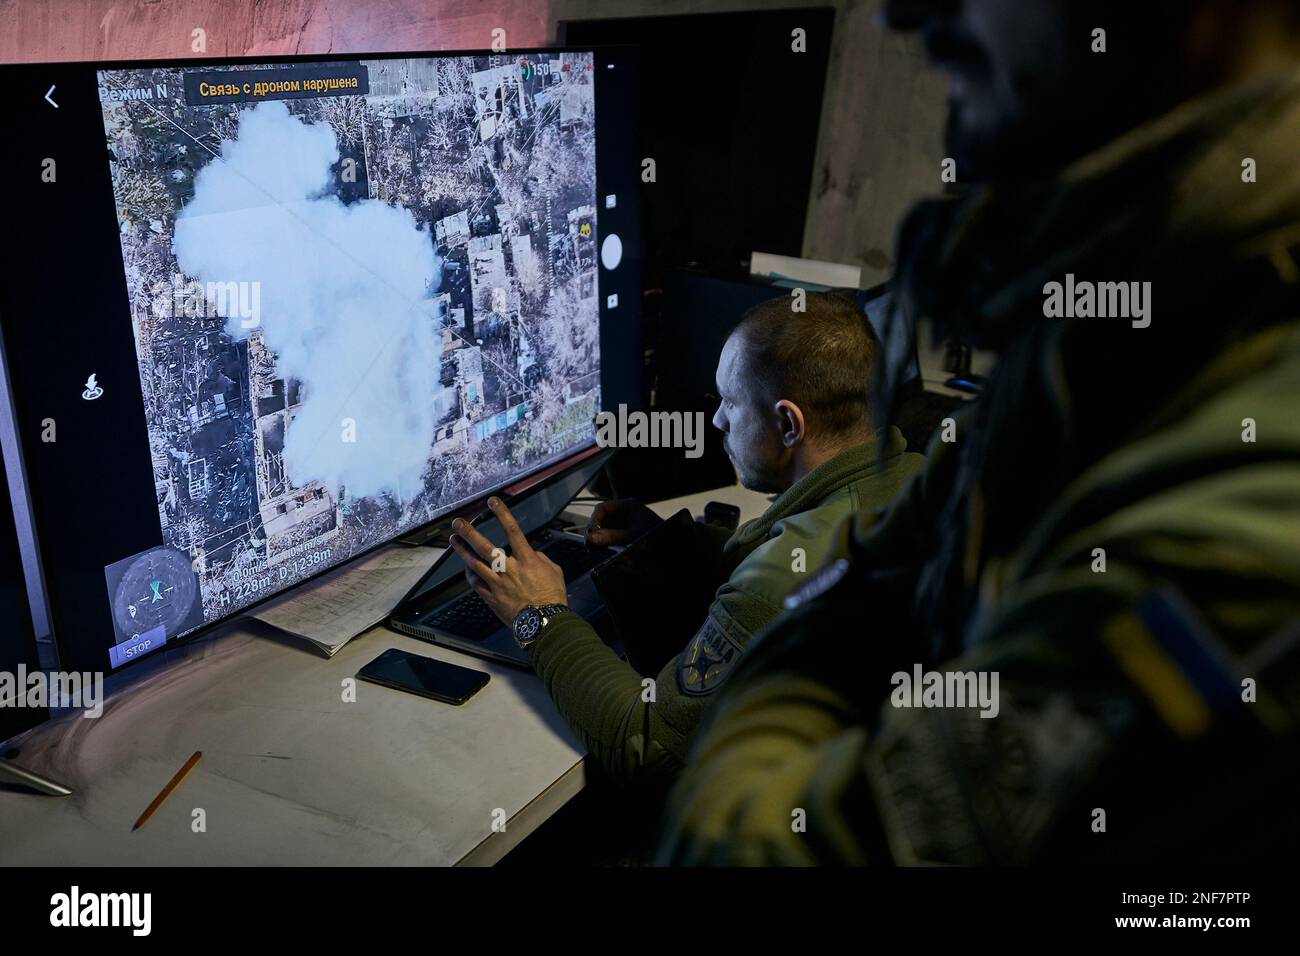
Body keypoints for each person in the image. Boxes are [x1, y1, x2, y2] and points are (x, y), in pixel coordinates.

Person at [657, 0, 1300, 865]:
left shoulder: (1243, 528)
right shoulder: (1136, 328)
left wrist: (803, 624)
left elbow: (736, 846)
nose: (902, 14)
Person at [448, 292, 925, 790]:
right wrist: (675, 544)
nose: (717, 420)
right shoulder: (917, 479)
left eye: (732, 402)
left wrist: (539, 615)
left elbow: (648, 745)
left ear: (788, 424)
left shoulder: (783, 575)